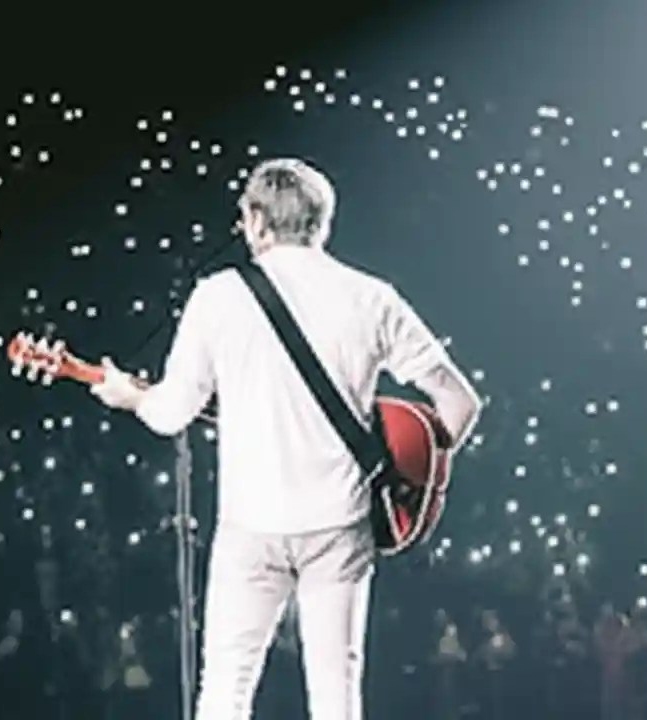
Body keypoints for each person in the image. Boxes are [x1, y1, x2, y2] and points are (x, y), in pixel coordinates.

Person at [90, 157, 482, 719]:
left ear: (254, 220)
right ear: (323, 222)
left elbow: (170, 414)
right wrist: (415, 492)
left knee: (225, 693)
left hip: (252, 526)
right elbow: (461, 403)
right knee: (336, 698)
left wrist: (128, 395)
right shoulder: (371, 297)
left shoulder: (217, 296)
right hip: (339, 526)